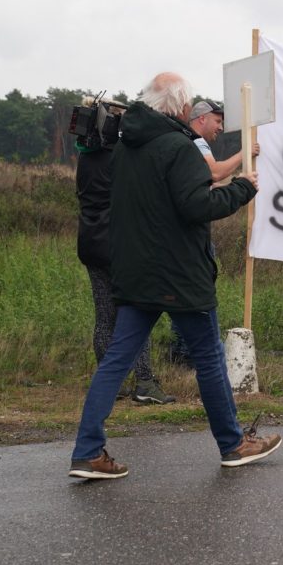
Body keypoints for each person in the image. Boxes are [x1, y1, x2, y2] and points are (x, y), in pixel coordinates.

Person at [69, 72, 281, 479]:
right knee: (210, 360)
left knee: (115, 360)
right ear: (183, 107)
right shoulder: (178, 148)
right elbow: (196, 206)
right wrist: (242, 189)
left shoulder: (126, 147)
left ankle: (88, 451)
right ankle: (234, 444)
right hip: (180, 278)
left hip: (135, 275)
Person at [74, 97, 175, 405]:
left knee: (104, 317)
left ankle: (111, 384)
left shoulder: (87, 156)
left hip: (90, 242)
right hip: (120, 245)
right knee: (137, 313)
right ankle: (144, 382)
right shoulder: (119, 155)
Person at [166, 99, 260, 366]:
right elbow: (214, 172)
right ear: (202, 119)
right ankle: (189, 354)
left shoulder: (187, 141)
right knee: (192, 293)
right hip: (189, 231)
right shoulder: (195, 141)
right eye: (218, 121)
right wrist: (244, 155)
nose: (220, 127)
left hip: (185, 230)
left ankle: (182, 351)